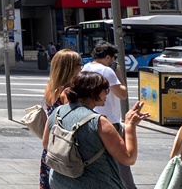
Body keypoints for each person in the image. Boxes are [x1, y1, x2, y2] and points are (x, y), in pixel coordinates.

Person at [42, 72, 149, 189]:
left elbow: (46, 144)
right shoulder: (99, 122)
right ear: (93, 92)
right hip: (97, 183)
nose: (107, 94)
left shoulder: (57, 112)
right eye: (105, 90)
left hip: (59, 181)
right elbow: (128, 158)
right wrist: (130, 125)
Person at [81, 41, 135, 189]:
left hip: (90, 118)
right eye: (113, 58)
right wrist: (119, 75)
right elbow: (122, 94)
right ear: (107, 57)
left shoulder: (85, 68)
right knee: (122, 160)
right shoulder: (107, 71)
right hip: (110, 121)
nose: (114, 62)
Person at [39, 49, 83, 189]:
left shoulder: (51, 86)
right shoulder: (68, 92)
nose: (81, 68)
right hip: (64, 147)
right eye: (79, 65)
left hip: (52, 144)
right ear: (70, 67)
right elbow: (74, 118)